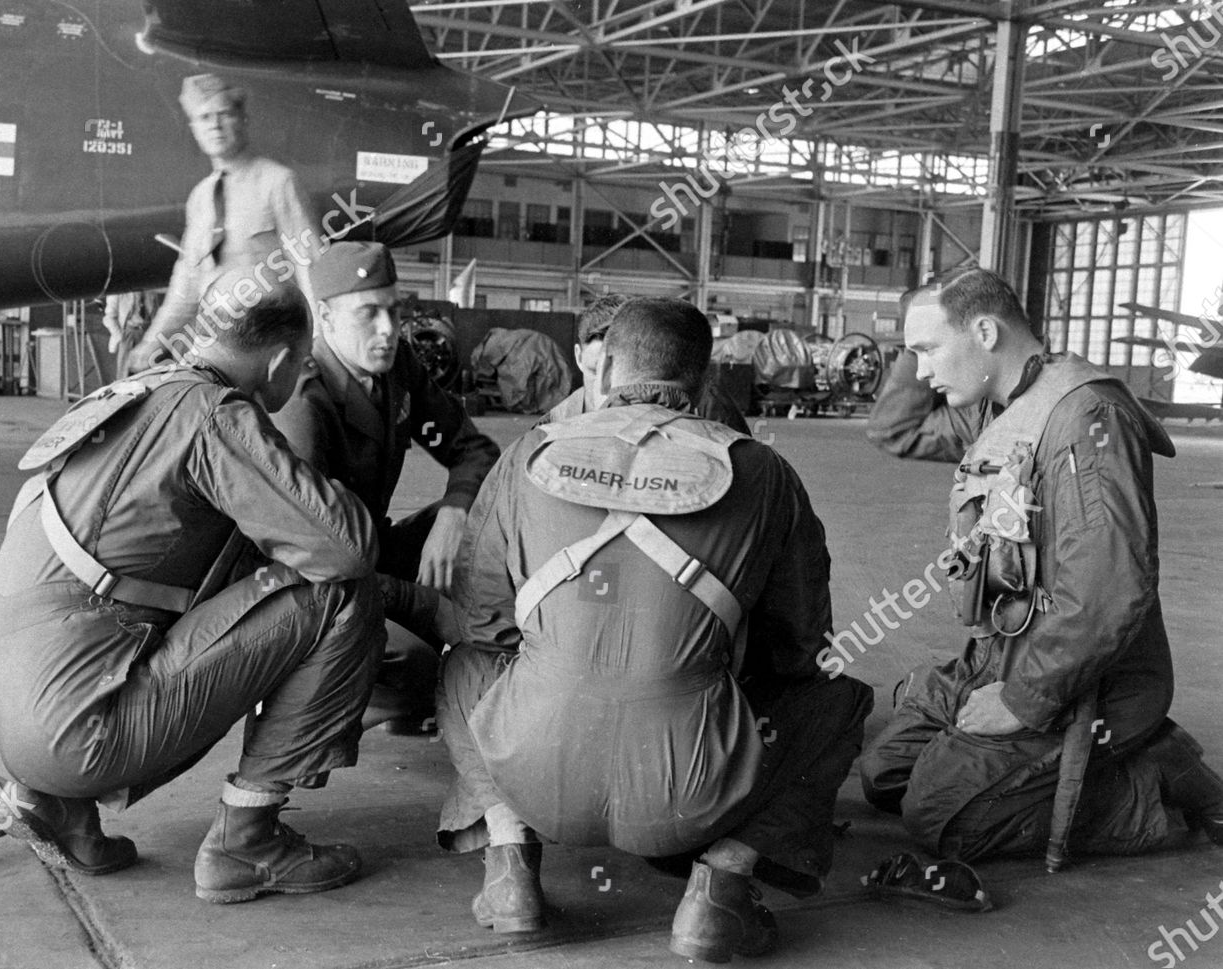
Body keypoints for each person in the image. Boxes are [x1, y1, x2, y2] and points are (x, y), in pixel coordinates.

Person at [437, 297, 873, 962]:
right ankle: (720, 888)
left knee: (461, 668)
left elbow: (483, 621)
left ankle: (510, 861)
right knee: (837, 702)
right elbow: (800, 649)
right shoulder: (763, 471)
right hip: (694, 800)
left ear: (603, 366)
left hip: (534, 777)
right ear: (705, 383)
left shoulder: (530, 454)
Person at [0, 269, 386, 904]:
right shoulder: (214, 416)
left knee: (121, 604)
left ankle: (66, 816)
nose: (300, 380)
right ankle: (250, 841)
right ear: (278, 360)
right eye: (302, 365)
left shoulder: (137, 390)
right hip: (76, 731)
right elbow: (344, 549)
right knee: (341, 596)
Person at [860, 266, 1223, 863]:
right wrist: (921, 314)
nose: (921, 372)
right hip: (1003, 653)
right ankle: (1025, 766)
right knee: (887, 776)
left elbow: (1108, 591)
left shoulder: (1085, 419)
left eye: (928, 351)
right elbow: (896, 428)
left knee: (942, 820)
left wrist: (1023, 702)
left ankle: (1157, 774)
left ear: (984, 332)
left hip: (1088, 681)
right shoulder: (1001, 406)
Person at [273, 242, 500, 730]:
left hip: (370, 552)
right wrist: (425, 604)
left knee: (485, 516)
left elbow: (475, 450)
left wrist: (454, 514)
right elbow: (320, 562)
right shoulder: (304, 402)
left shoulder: (397, 369)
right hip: (313, 585)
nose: (388, 331)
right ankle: (305, 697)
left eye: (395, 312)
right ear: (325, 319)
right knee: (425, 669)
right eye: (368, 314)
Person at [130, 74, 317, 371]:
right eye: (204, 118)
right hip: (214, 348)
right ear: (194, 129)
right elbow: (186, 286)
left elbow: (310, 266)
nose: (214, 125)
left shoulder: (277, 182)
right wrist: (152, 341)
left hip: (269, 347)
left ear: (243, 119)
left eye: (224, 114)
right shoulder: (201, 198)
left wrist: (313, 346)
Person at [541, 293, 750, 434]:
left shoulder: (711, 408)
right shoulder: (552, 424)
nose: (608, 392)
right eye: (595, 371)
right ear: (578, 357)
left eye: (623, 369)